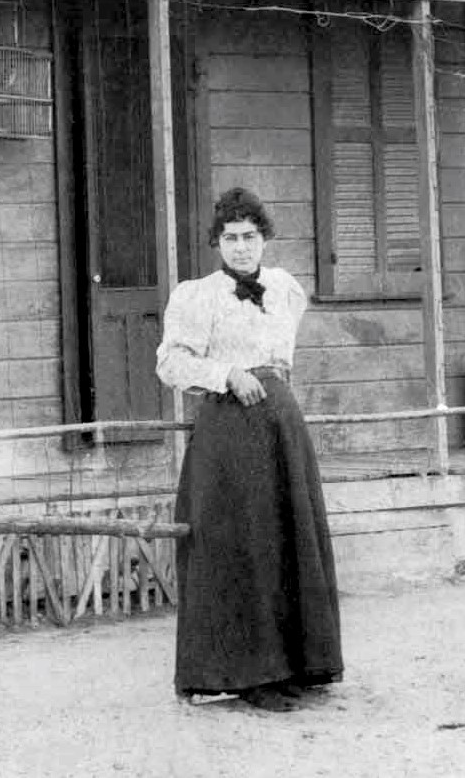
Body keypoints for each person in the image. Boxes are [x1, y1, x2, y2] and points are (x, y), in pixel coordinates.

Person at [156, 186, 343, 711]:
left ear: (264, 239)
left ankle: (295, 666)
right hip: (230, 428)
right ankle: (252, 674)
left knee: (288, 537)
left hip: (279, 425)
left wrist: (275, 390)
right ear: (217, 243)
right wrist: (227, 374)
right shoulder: (197, 296)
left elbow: (283, 358)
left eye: (250, 237)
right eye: (231, 238)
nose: (241, 247)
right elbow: (170, 363)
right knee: (243, 544)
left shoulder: (285, 289)